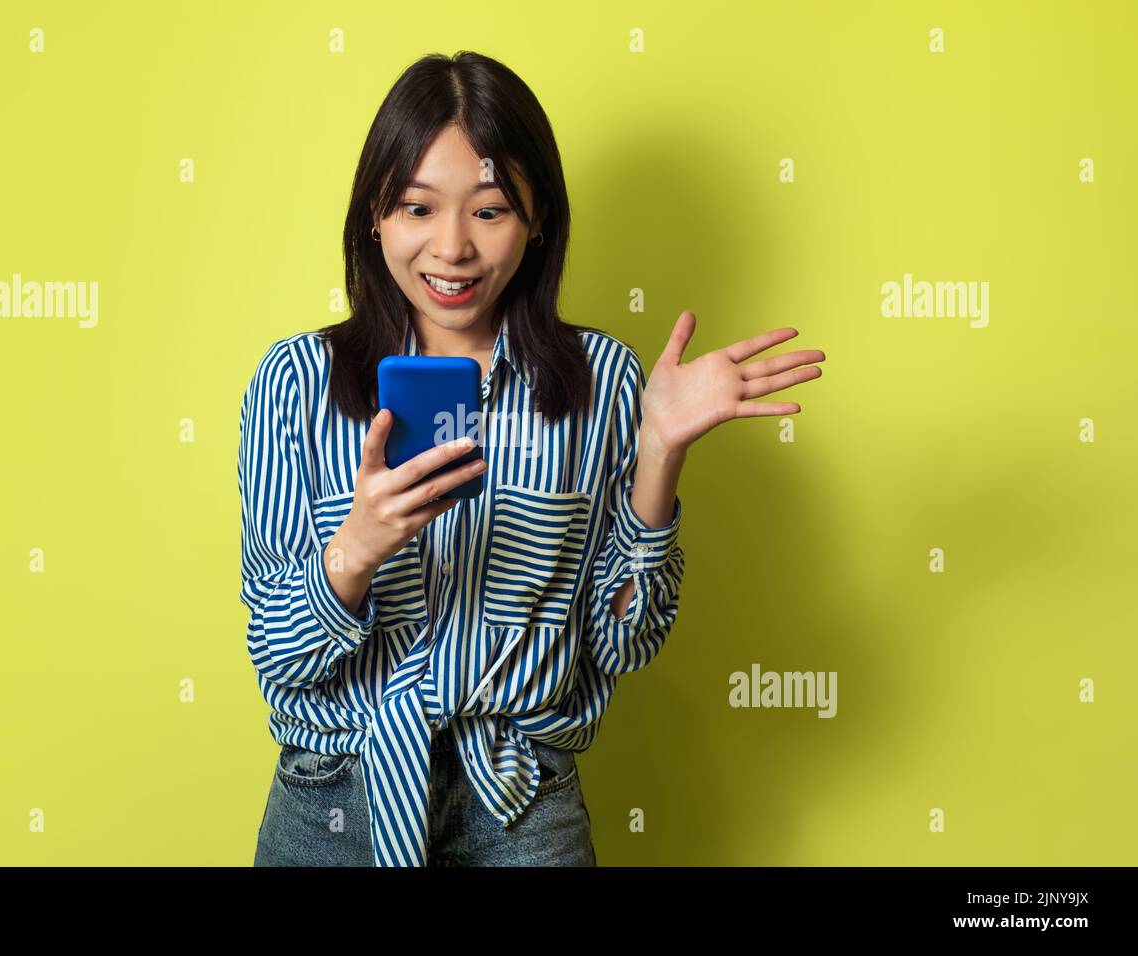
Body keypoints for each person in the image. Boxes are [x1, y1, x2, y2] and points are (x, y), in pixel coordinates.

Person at [239, 51, 826, 867]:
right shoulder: (295, 384)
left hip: (520, 811)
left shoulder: (608, 383)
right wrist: (356, 551)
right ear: (375, 215)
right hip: (335, 802)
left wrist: (658, 453)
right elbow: (278, 653)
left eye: (488, 211)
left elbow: (624, 644)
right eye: (416, 207)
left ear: (538, 216)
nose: (451, 249)